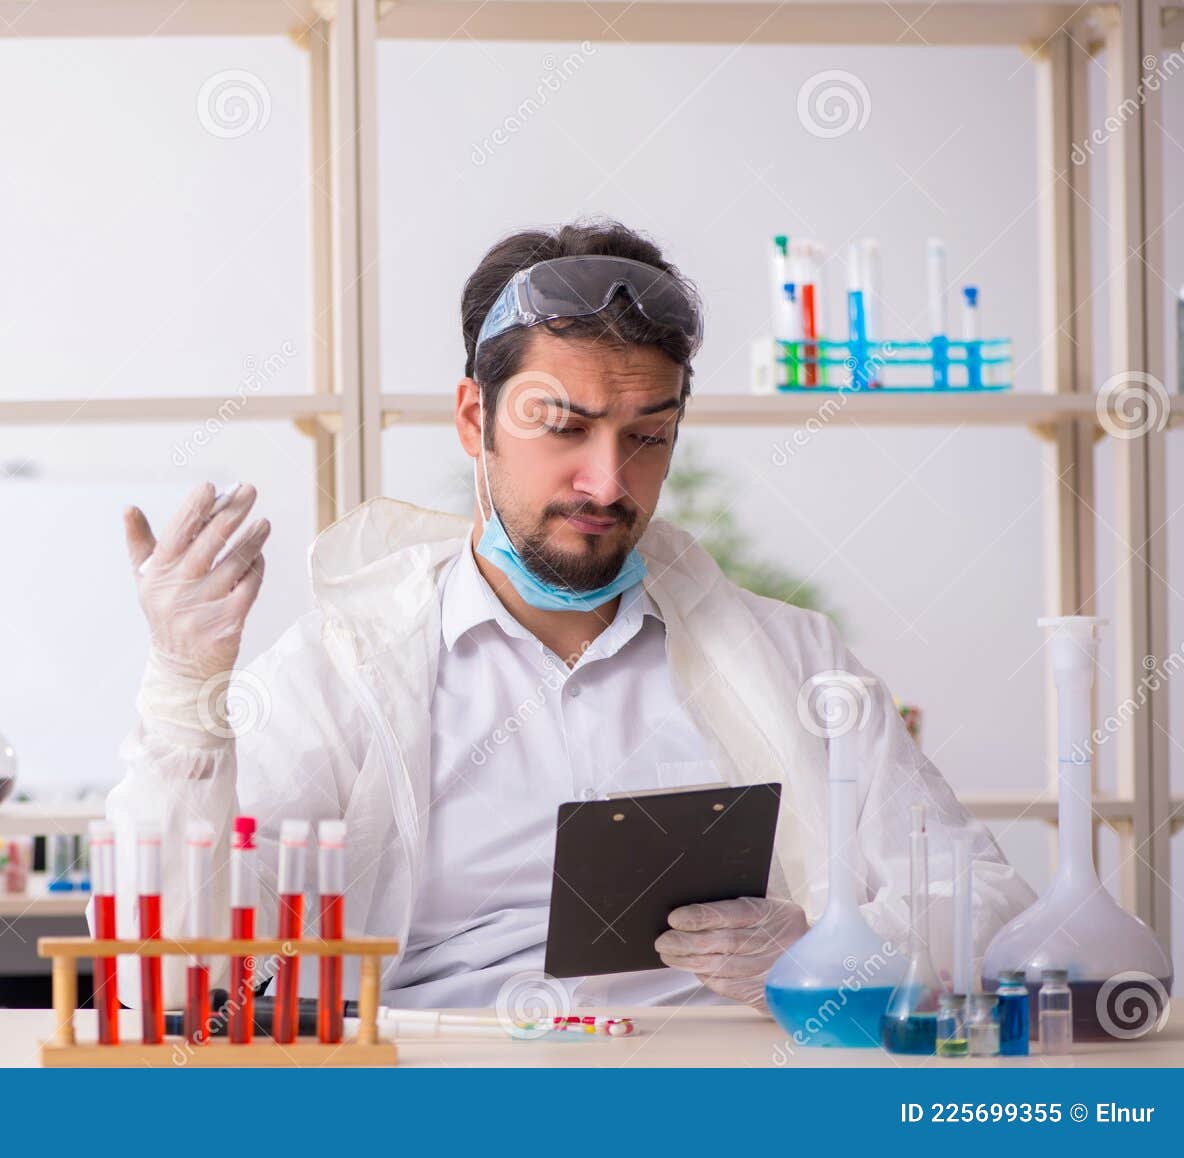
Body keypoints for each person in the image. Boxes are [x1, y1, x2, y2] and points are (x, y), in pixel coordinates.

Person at [105, 218, 1035, 1016]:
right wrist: (186, 694)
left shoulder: (791, 658)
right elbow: (175, 971)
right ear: (475, 420)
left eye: (646, 437)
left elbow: (985, 897)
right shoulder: (346, 668)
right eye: (563, 427)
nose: (607, 481)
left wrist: (828, 952)